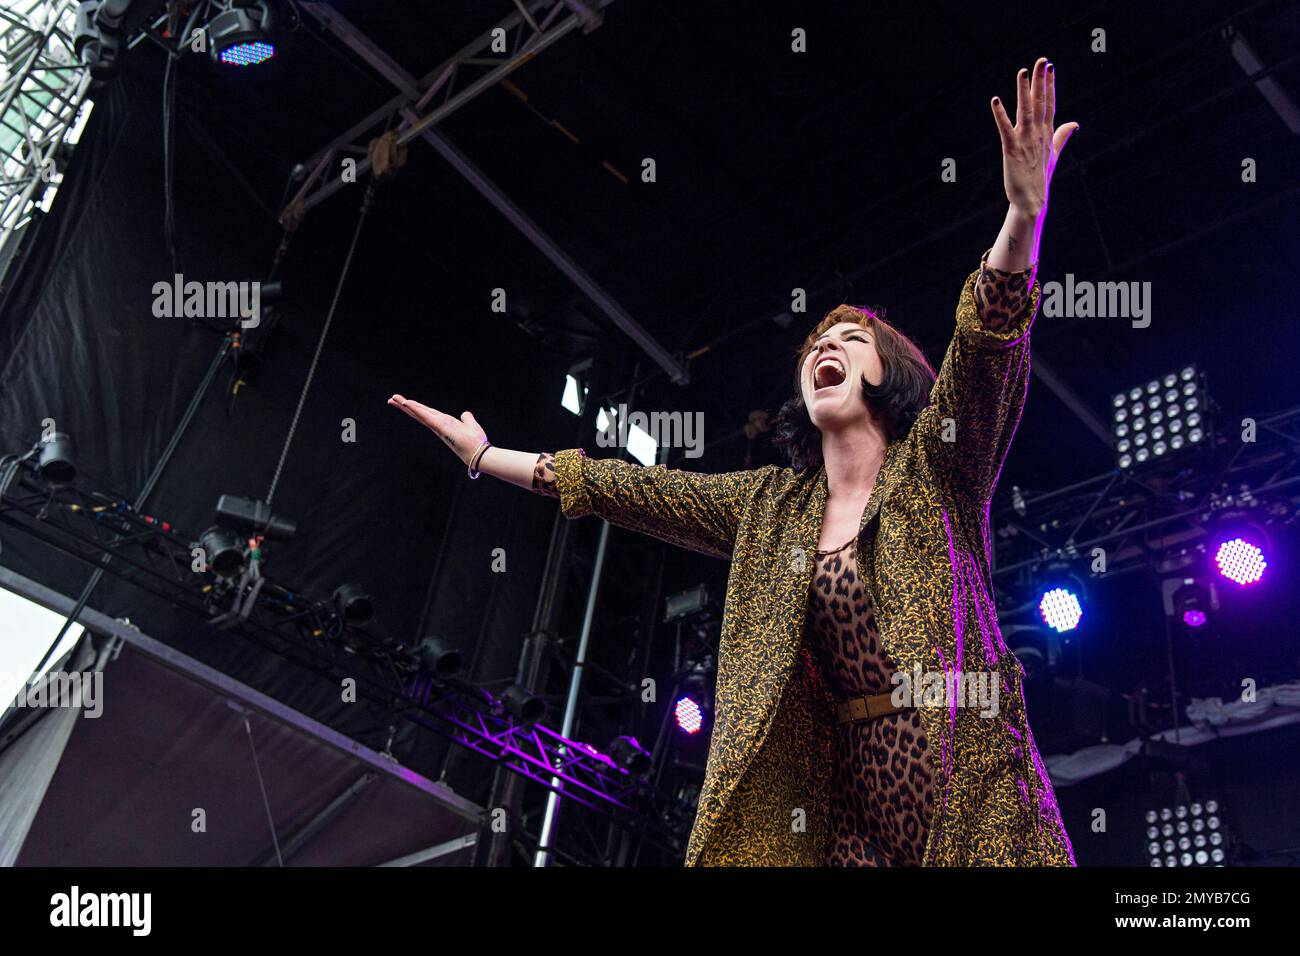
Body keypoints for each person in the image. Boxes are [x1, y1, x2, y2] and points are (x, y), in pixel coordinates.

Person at [389, 56, 1078, 866]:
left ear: (887, 371)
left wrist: (1024, 215)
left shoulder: (936, 469)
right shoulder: (769, 506)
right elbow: (628, 488)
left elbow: (986, 349)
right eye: (816, 342)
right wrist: (486, 455)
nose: (825, 344)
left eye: (850, 339)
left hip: (966, 782)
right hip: (838, 800)